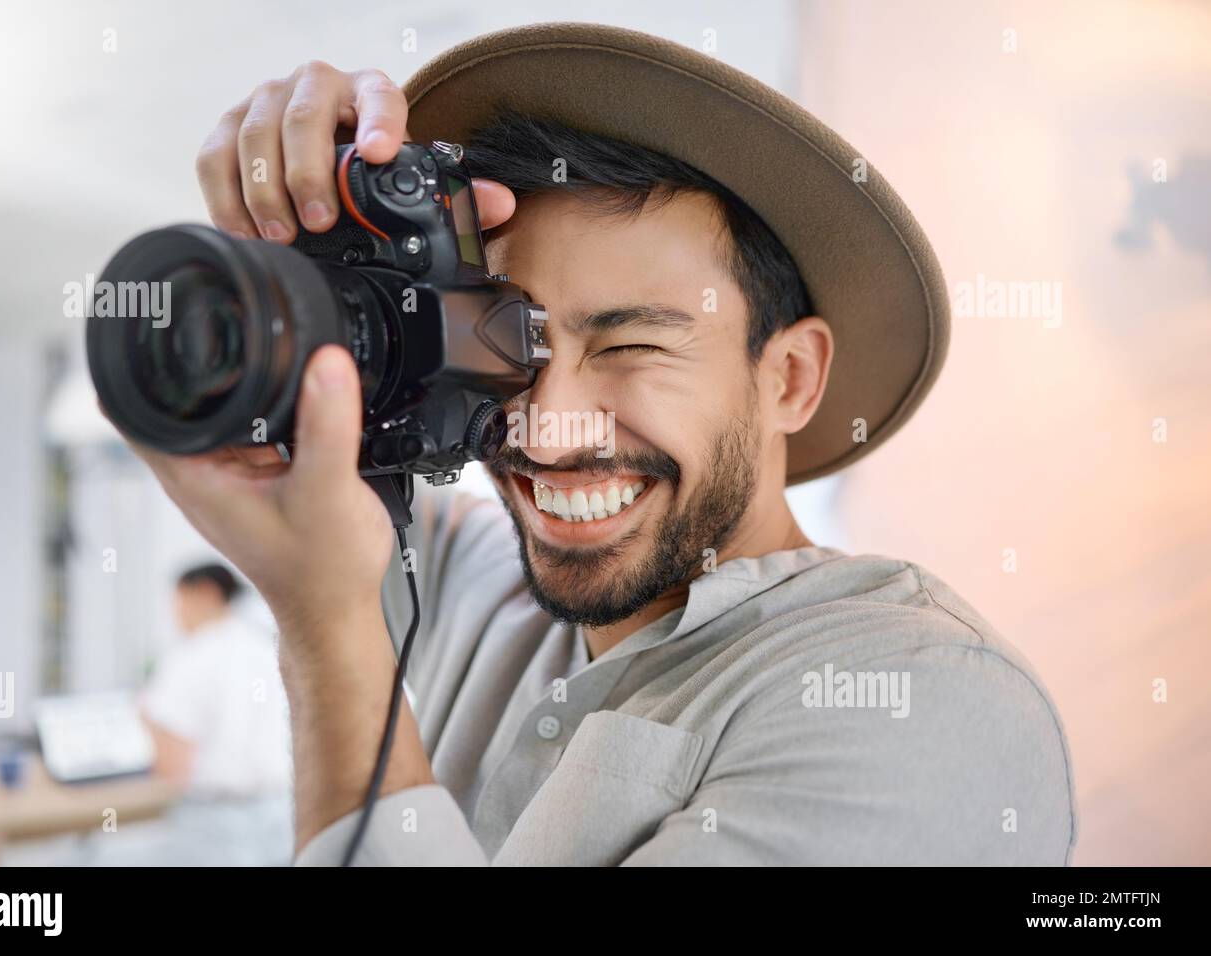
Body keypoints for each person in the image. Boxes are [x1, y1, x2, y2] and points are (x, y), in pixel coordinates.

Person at [126, 25, 1075, 864]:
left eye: (627, 345)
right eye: (513, 340)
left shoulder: (923, 703)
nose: (544, 425)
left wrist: (328, 632)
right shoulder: (463, 574)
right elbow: (272, 448)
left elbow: (330, 597)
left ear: (788, 377)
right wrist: (294, 273)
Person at [139, 563, 290, 798]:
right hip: (279, 809)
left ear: (206, 593)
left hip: (211, 811)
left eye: (178, 602)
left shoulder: (191, 657)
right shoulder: (266, 650)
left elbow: (173, 769)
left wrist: (146, 718)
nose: (176, 614)